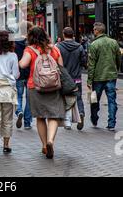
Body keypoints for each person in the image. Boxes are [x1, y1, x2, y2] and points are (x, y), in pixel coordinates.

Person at [19, 27, 65, 159]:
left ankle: (45, 145)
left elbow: (23, 65)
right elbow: (61, 67)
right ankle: (51, 140)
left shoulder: (30, 50)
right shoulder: (54, 49)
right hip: (54, 87)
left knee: (40, 117)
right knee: (54, 116)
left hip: (35, 86)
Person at [87, 22, 121, 131]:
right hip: (111, 76)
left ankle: (94, 118)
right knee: (112, 100)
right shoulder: (114, 42)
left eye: (94, 29)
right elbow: (118, 59)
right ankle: (111, 123)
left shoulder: (94, 45)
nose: (93, 31)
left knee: (94, 99)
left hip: (98, 77)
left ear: (97, 31)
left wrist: (89, 80)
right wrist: (116, 68)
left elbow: (91, 64)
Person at [57, 27, 87, 130]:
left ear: (63, 34)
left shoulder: (58, 46)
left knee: (64, 98)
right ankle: (81, 112)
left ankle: (68, 122)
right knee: (78, 97)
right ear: (73, 35)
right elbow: (84, 62)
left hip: (64, 78)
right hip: (76, 78)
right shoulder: (79, 47)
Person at [14, 21, 33, 130]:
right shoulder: (31, 43)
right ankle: (27, 122)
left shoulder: (15, 42)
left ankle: (19, 110)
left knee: (19, 96)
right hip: (30, 73)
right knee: (29, 98)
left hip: (19, 72)